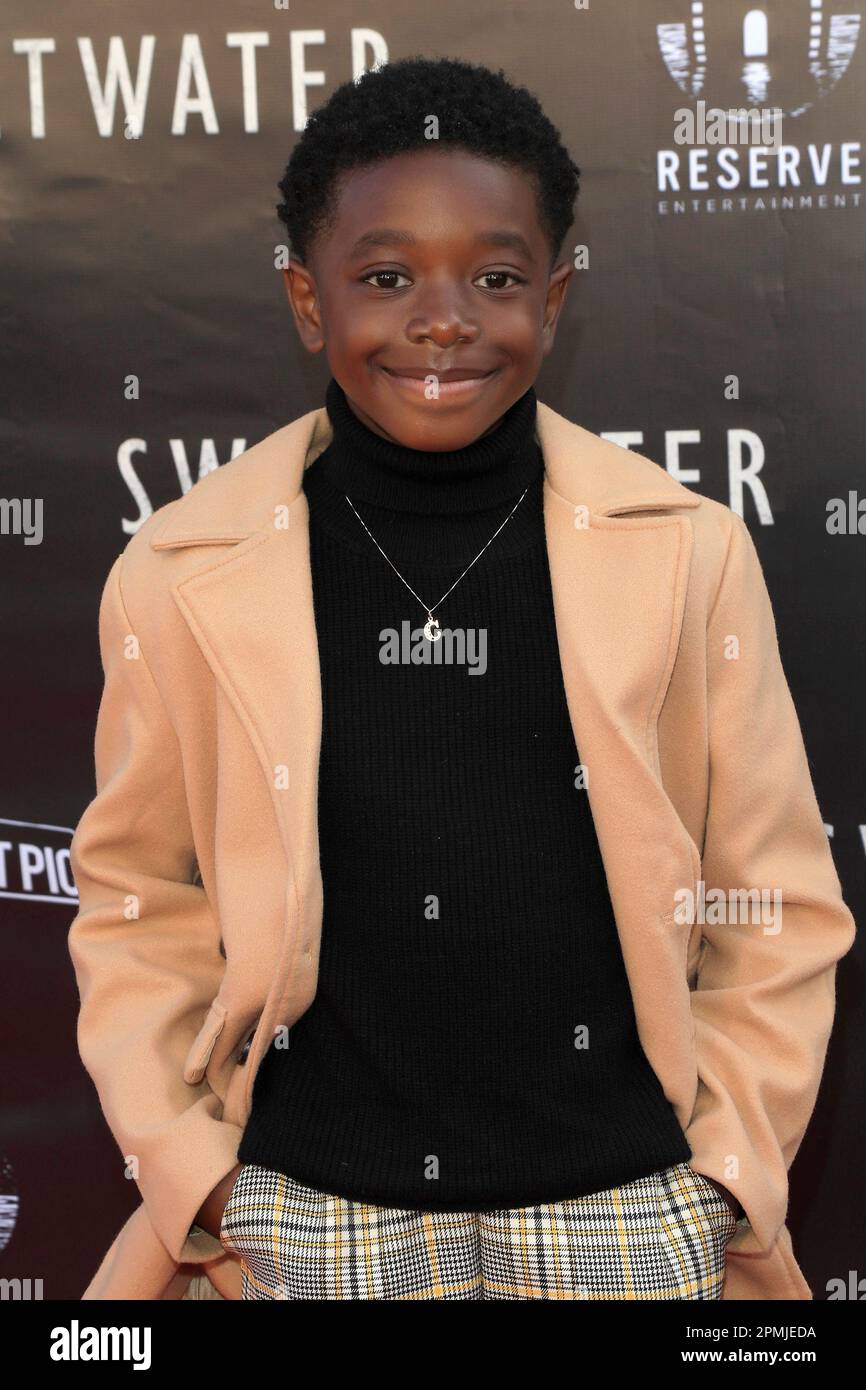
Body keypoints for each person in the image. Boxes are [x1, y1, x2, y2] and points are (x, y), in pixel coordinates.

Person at [68, 56, 856, 1301]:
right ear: (304, 299)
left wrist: (717, 1183)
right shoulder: (177, 572)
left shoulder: (686, 549)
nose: (443, 320)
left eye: (494, 278)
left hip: (626, 1220)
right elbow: (137, 903)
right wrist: (202, 1179)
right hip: (298, 1224)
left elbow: (773, 894)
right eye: (385, 278)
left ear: (552, 296)